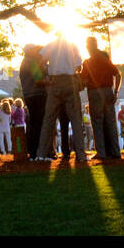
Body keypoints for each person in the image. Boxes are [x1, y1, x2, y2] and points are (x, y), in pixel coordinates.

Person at [34, 33, 87, 162]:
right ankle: (81, 155)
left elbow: (39, 60)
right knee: (76, 119)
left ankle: (41, 154)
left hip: (55, 82)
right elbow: (79, 66)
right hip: (70, 81)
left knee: (49, 119)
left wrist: (46, 73)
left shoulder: (50, 45)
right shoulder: (72, 46)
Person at [80, 36, 122, 159]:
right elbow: (118, 74)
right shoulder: (104, 58)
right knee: (111, 123)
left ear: (88, 46)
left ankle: (101, 153)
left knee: (97, 123)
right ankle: (115, 152)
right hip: (108, 92)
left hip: (94, 93)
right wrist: (115, 92)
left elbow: (84, 81)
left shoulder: (87, 62)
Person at [18, 44, 47, 158]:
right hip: (37, 95)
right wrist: (50, 82)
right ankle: (36, 151)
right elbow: (38, 79)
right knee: (38, 123)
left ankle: (32, 150)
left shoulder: (24, 62)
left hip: (29, 96)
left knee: (33, 123)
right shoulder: (31, 61)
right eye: (35, 50)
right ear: (30, 51)